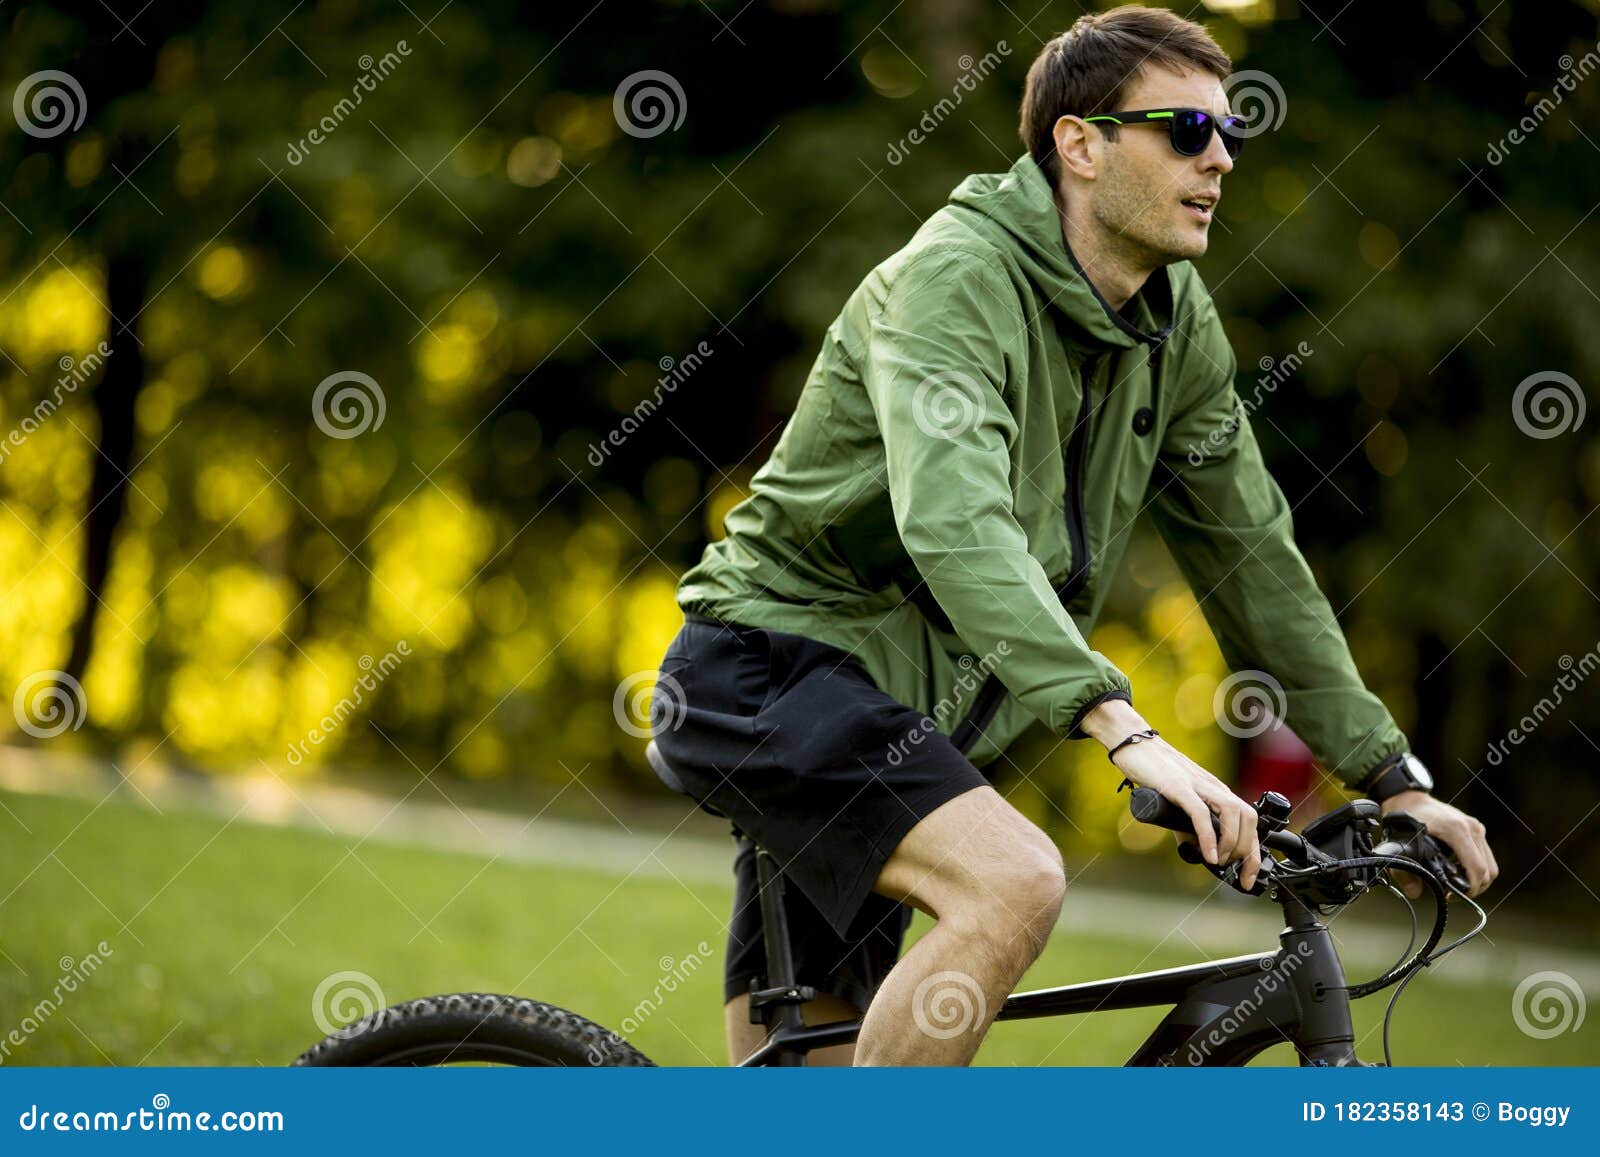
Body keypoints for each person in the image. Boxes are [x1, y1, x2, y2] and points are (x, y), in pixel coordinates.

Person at [652, 5, 1497, 1067]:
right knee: (1014, 880)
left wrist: (1390, 774)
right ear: (1080, 144)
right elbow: (956, 523)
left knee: (793, 1104)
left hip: (904, 723)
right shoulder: (955, 279)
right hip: (772, 670)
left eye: (1231, 133)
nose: (1221, 159)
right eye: (1187, 131)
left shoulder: (1172, 323)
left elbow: (1251, 557)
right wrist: (1122, 726)